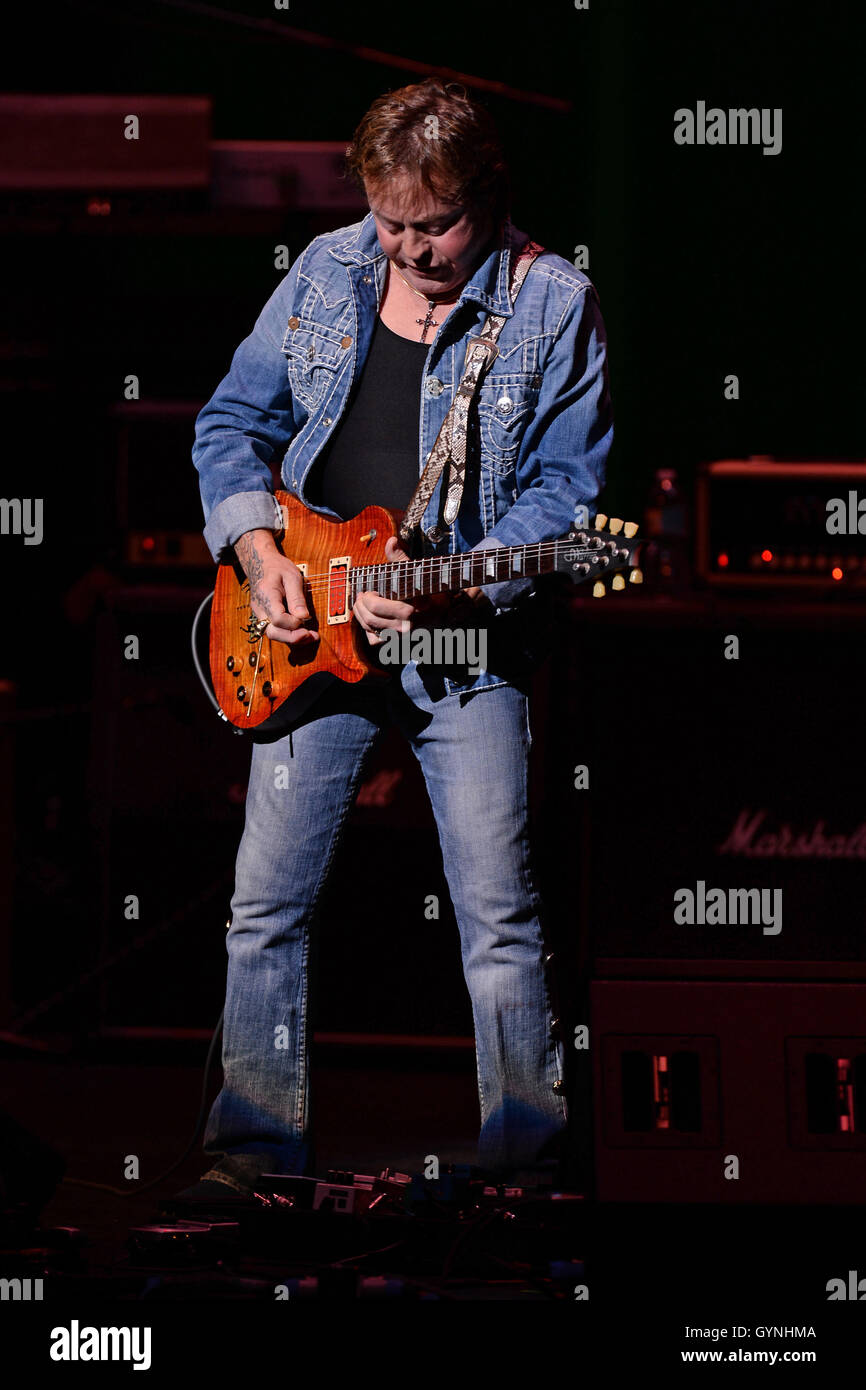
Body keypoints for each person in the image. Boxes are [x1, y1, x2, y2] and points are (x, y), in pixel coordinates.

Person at [181, 76, 613, 1202]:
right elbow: (230, 421)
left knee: (498, 916)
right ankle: (251, 1161)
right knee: (265, 906)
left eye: (438, 224)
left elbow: (564, 500)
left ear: (488, 191)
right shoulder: (326, 270)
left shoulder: (552, 303)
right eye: (394, 224)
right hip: (303, 629)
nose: (415, 249)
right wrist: (259, 555)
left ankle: (526, 1175)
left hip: (463, 649)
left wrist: (444, 596)